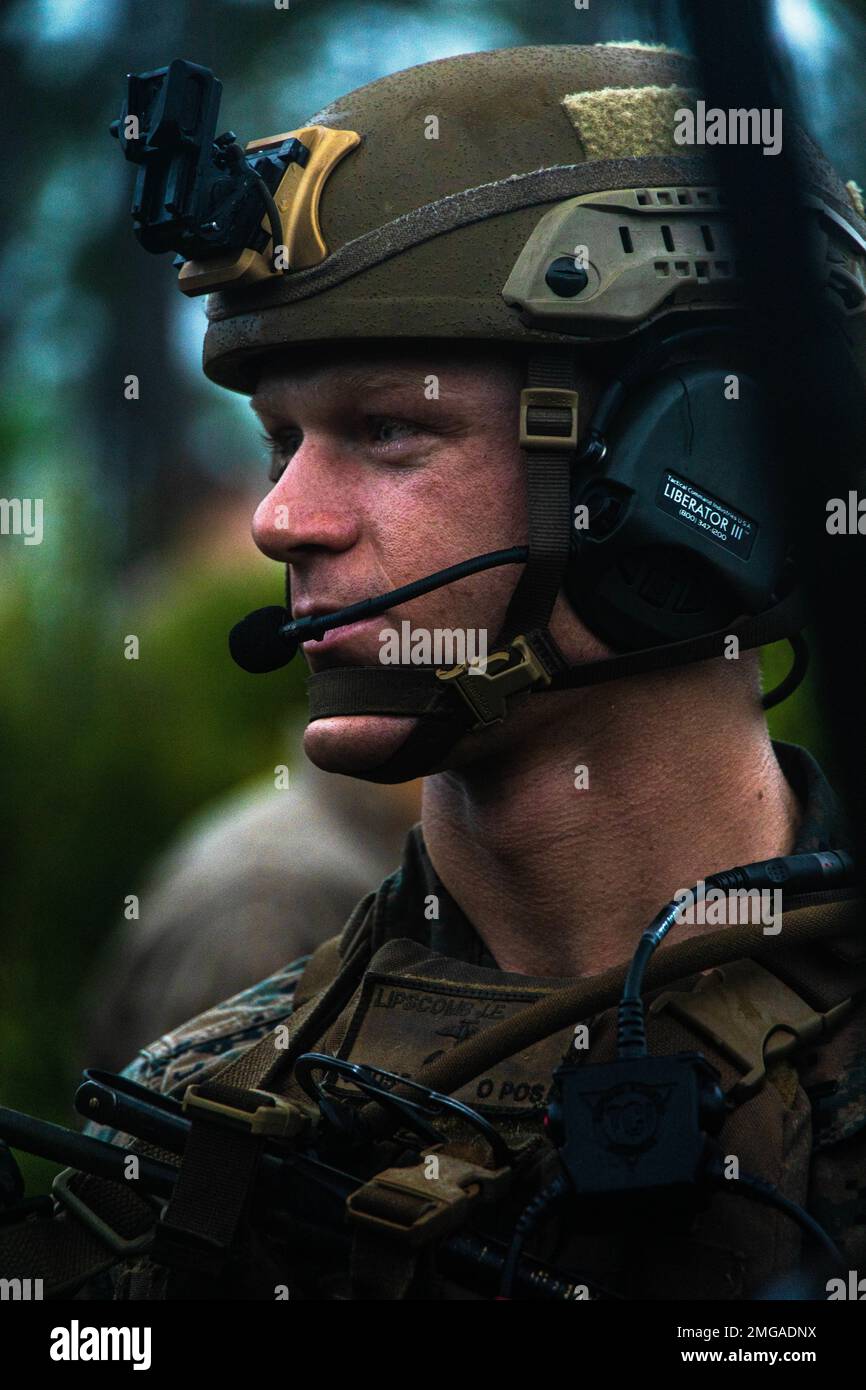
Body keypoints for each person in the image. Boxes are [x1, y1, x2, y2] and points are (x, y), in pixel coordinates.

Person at [3, 42, 866, 1301]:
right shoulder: (203, 1126)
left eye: (386, 429)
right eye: (280, 442)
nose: (280, 519)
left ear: (699, 477)